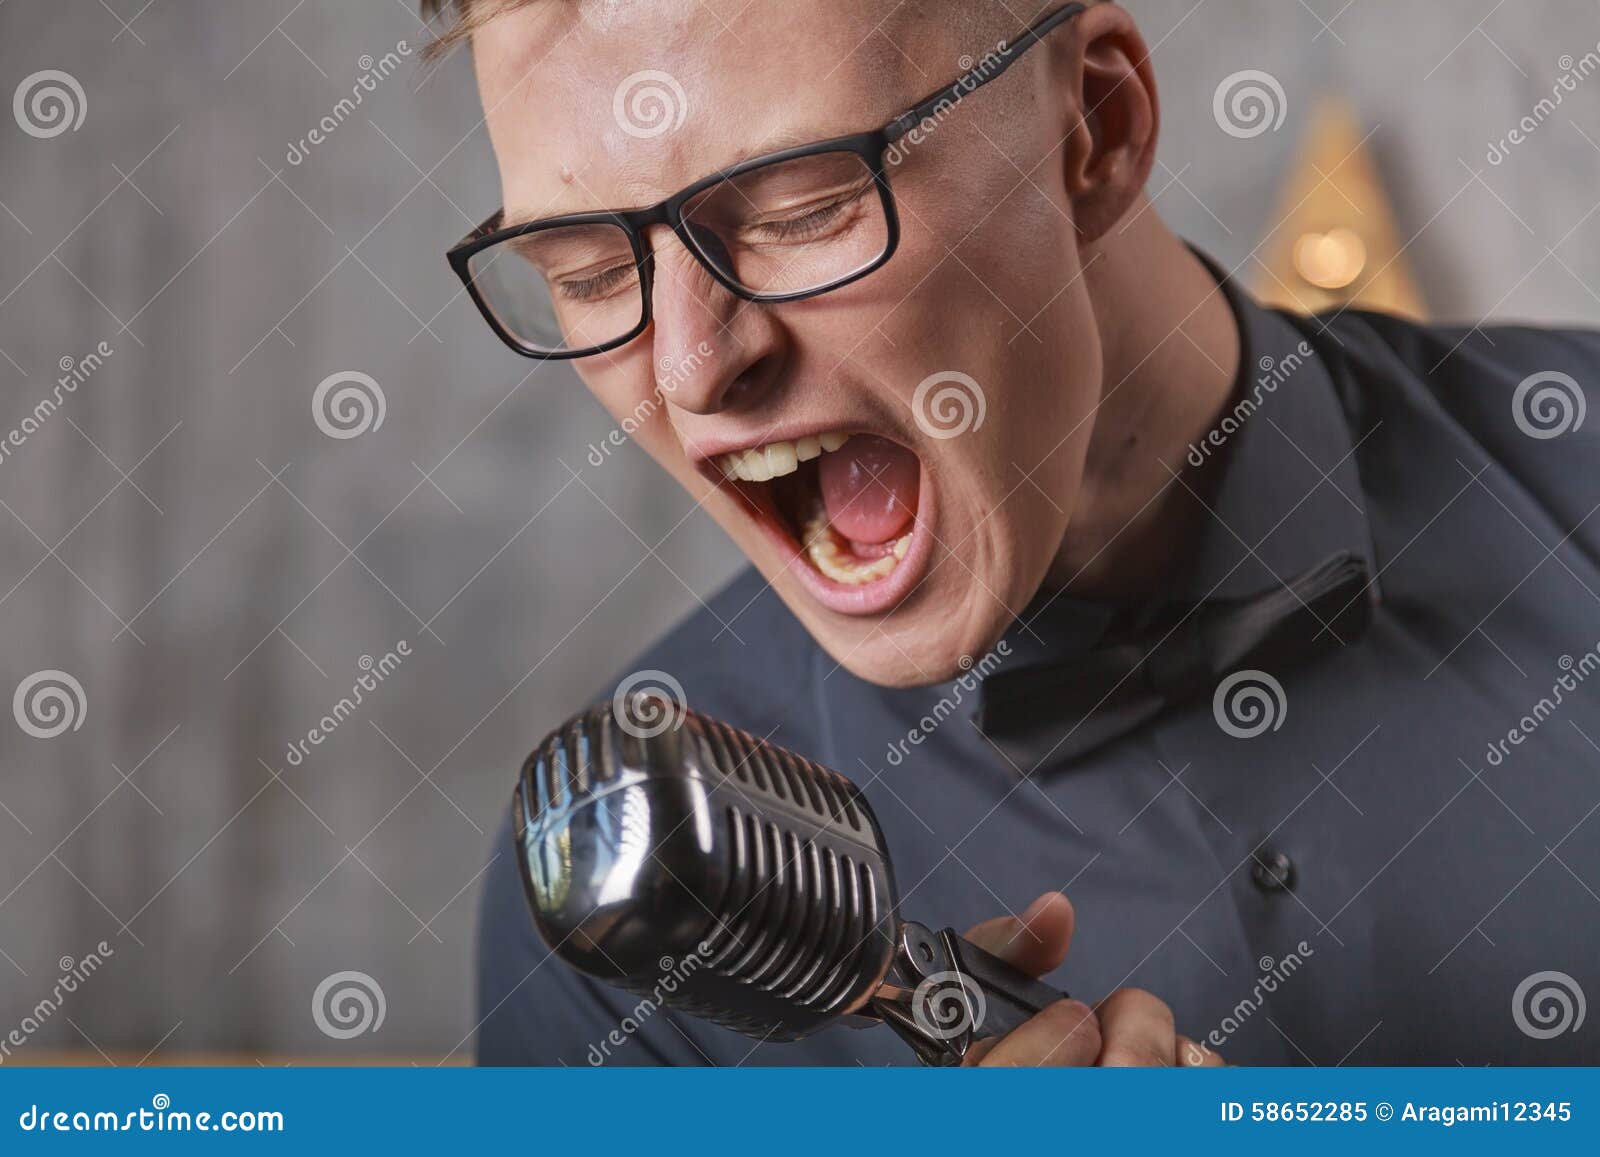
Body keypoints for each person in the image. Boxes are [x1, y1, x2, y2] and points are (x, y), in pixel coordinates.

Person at [423, 0, 1600, 1065]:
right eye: (587, 272)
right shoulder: (622, 916)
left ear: (1096, 128)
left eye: (802, 206)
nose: (689, 368)